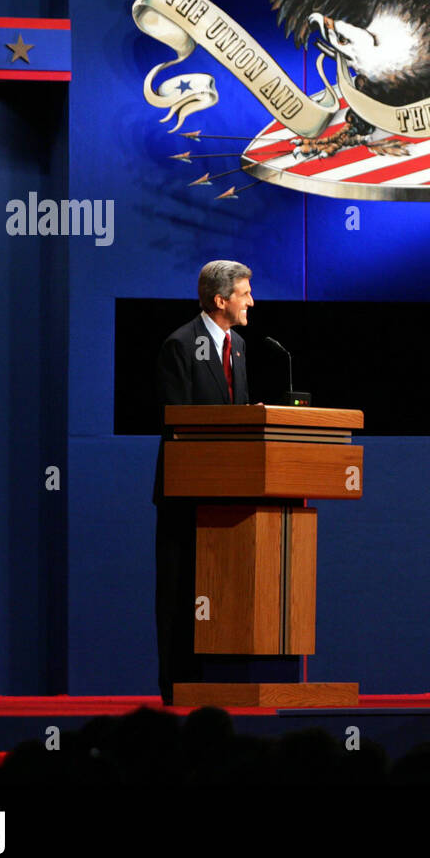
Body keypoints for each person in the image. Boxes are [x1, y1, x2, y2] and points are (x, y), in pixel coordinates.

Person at [153, 260, 254, 704]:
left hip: (229, 497)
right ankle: (176, 689)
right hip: (187, 494)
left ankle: (216, 683)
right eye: (245, 292)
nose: (252, 300)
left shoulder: (240, 347)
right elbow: (178, 423)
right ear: (221, 300)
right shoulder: (180, 345)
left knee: (217, 592)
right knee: (179, 594)